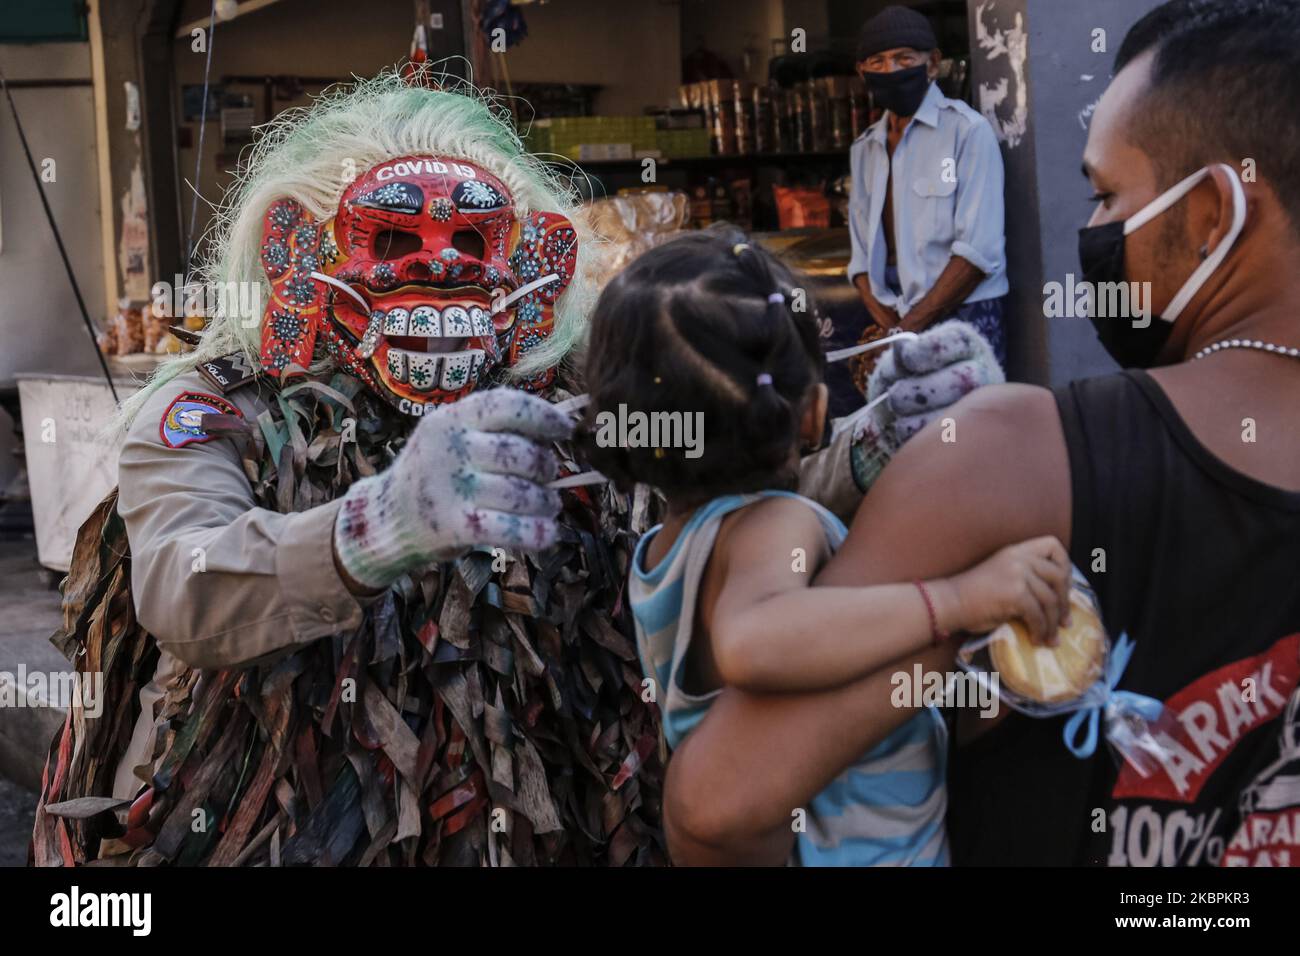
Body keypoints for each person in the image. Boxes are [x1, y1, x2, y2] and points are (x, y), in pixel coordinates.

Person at [31, 70, 998, 867]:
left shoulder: (565, 380)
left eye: (472, 246)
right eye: (397, 244)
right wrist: (374, 529)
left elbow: (723, 512)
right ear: (295, 255)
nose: (442, 273)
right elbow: (178, 580)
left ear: (530, 257)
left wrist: (875, 448)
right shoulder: (217, 405)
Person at [663, 0, 1300, 868]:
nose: (1097, 230)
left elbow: (715, 807)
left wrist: (954, 614)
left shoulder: (1013, 459)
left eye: (1109, 194)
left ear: (1212, 215)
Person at [581, 229, 1069, 866]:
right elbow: (754, 639)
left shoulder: (660, 549)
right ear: (813, 413)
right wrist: (958, 599)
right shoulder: (772, 525)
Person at [848, 5, 1009, 367]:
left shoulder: (966, 132)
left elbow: (977, 254)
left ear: (933, 64)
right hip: (896, 321)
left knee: (970, 423)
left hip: (964, 316)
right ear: (862, 72)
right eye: (877, 61)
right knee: (908, 425)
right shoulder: (864, 150)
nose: (890, 70)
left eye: (904, 58)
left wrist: (909, 328)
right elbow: (861, 262)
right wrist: (892, 330)